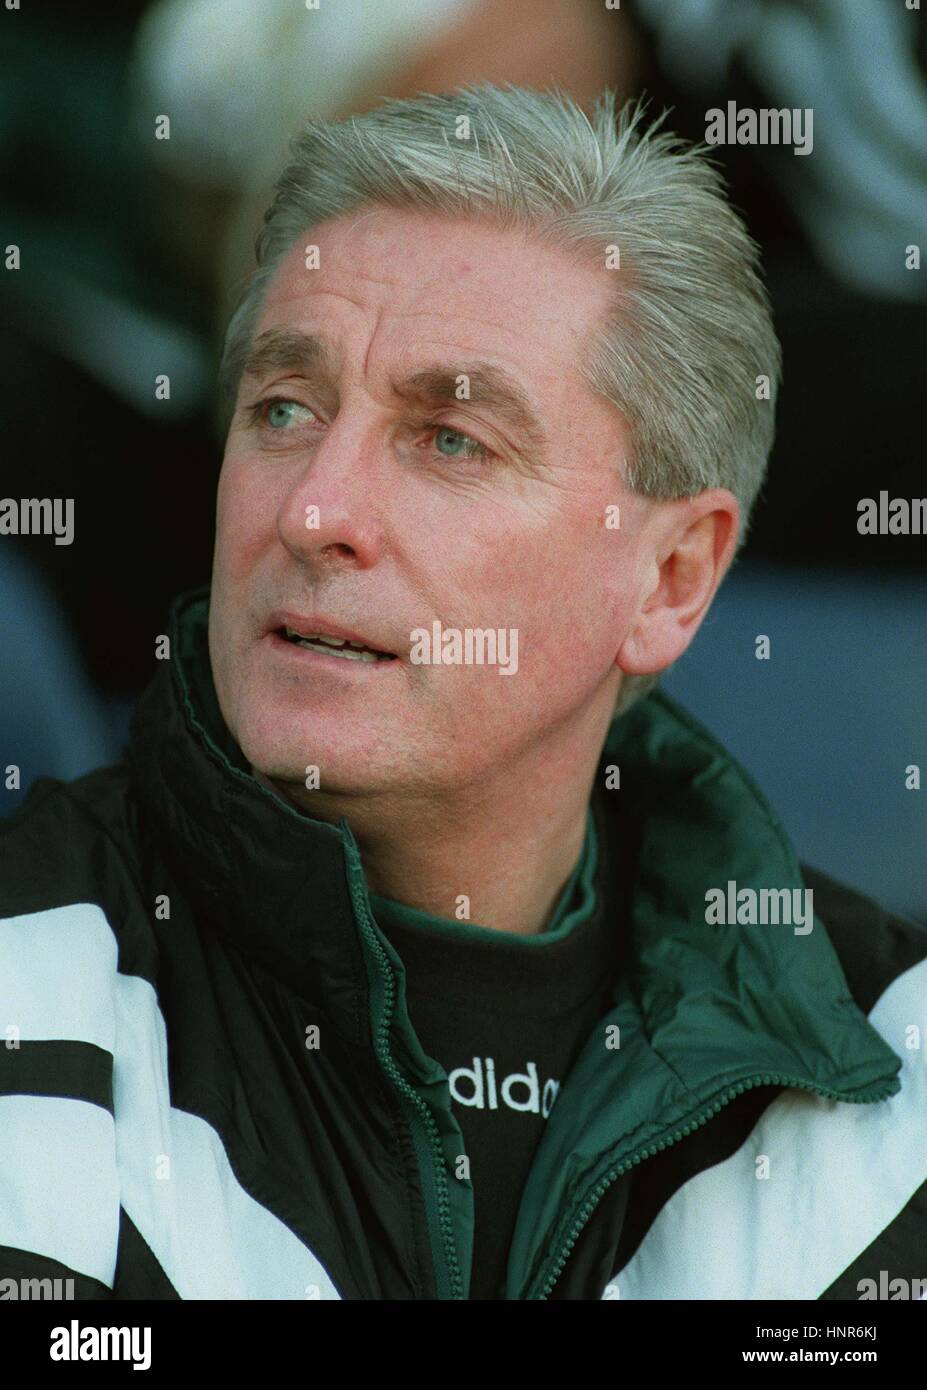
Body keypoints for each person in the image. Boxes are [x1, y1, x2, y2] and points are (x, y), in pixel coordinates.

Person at [1, 84, 924, 1302]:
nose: (314, 511)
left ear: (671, 578)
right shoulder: (29, 977)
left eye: (450, 439)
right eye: (285, 408)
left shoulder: (894, 1058)